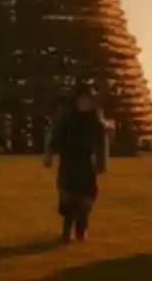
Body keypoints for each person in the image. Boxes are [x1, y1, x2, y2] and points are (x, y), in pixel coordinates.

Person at [44, 83, 108, 243]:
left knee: (85, 199)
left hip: (86, 163)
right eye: (82, 100)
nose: (85, 103)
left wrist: (101, 163)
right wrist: (49, 155)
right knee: (68, 199)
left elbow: (101, 143)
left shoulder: (95, 121)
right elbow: (56, 137)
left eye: (88, 100)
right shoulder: (66, 118)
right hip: (69, 162)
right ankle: (66, 232)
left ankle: (81, 228)